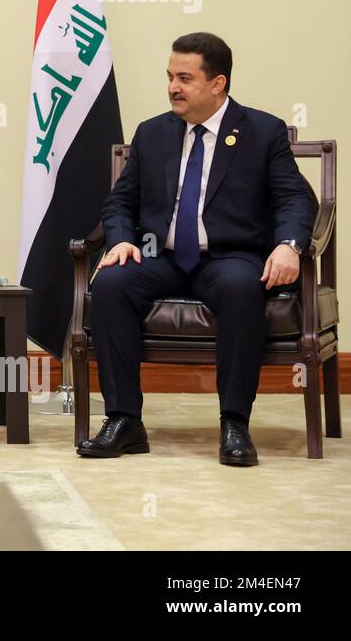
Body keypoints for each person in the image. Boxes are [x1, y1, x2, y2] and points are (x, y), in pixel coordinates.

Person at [79, 33, 314, 466]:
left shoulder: (262, 131)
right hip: (161, 256)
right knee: (111, 285)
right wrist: (122, 239)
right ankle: (124, 419)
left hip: (231, 256)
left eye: (185, 78)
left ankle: (234, 423)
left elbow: (296, 199)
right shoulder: (152, 133)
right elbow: (119, 202)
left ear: (218, 83)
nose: (172, 87)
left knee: (242, 288)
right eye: (170, 76)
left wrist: (288, 245)